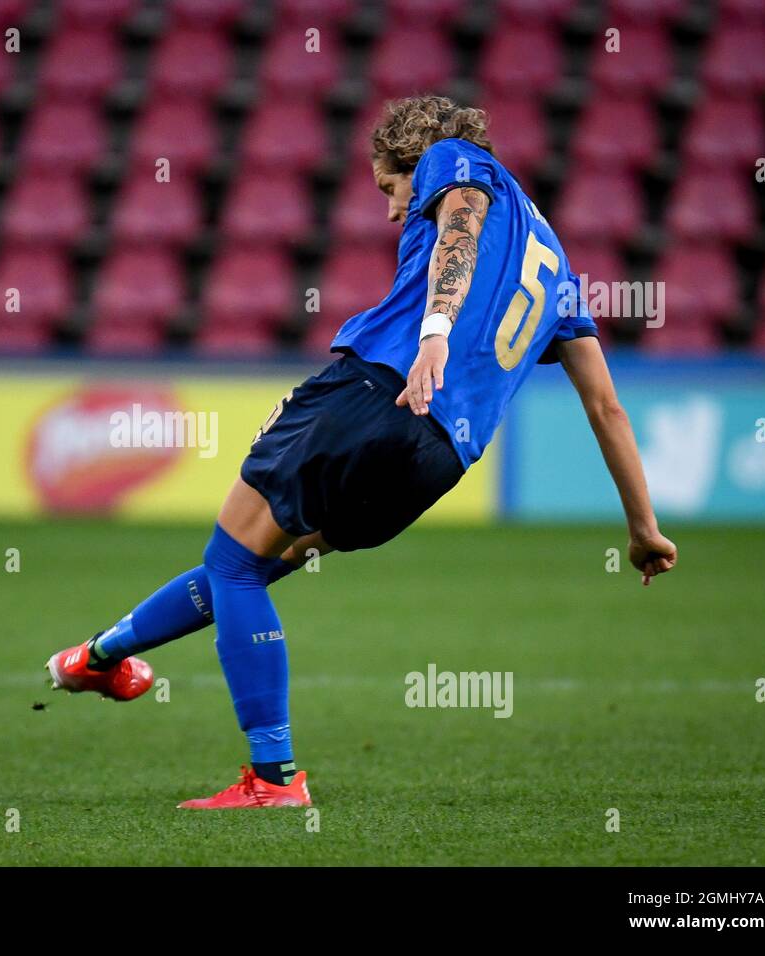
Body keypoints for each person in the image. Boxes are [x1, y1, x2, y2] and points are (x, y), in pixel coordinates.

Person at [45, 95, 678, 810]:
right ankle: (101, 657)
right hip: (436, 460)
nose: (389, 210)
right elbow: (606, 406)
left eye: (389, 187)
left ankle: (274, 778)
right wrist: (643, 528)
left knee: (230, 563)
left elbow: (460, 223)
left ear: (416, 159)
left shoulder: (457, 161)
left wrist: (435, 328)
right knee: (256, 565)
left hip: (378, 390)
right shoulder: (558, 270)